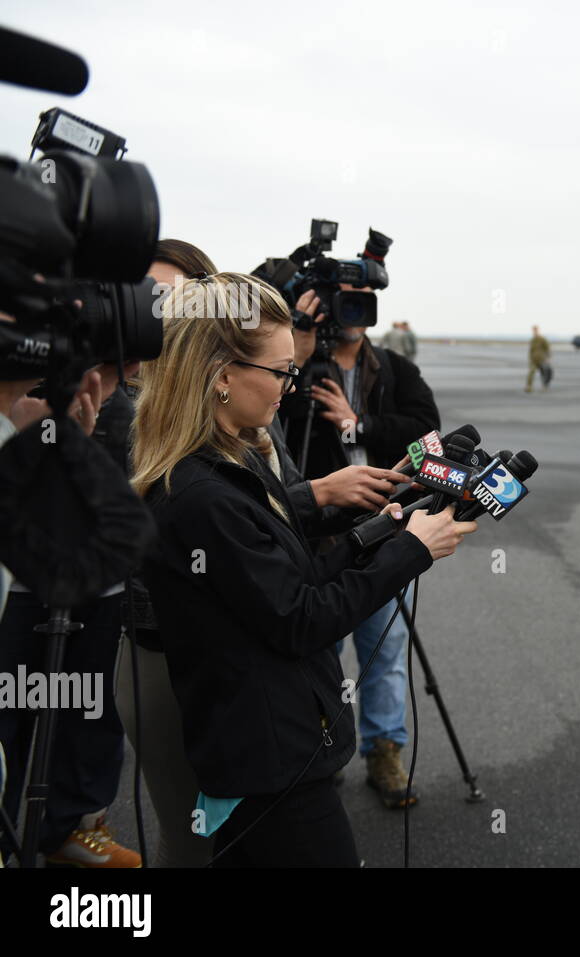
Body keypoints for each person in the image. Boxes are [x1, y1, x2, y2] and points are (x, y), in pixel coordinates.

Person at [132, 272, 476, 866]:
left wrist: (389, 526)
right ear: (220, 377)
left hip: (274, 749)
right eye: (281, 372)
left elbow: (289, 572)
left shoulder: (230, 461)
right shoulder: (202, 494)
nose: (290, 388)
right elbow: (301, 618)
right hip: (269, 764)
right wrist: (412, 551)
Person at [278, 280, 439, 809]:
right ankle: (311, 755)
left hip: (385, 529)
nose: (350, 311)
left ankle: (385, 752)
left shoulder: (394, 370)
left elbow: (429, 434)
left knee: (385, 650)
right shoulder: (296, 369)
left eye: (359, 300)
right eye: (341, 299)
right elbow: (272, 436)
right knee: (311, 654)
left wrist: (359, 423)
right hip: (314, 532)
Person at [0, 284, 141, 867]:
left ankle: (73, 826)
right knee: (14, 717)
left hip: (101, 586)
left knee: (91, 715)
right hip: (22, 586)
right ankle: (17, 831)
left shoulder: (128, 406)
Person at [525, 325, 550, 392]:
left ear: (538, 330)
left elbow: (547, 349)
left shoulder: (542, 339)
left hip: (542, 359)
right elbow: (531, 350)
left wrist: (548, 358)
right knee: (531, 372)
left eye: (536, 330)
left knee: (543, 373)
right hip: (534, 360)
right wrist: (530, 359)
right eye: (533, 330)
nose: (534, 331)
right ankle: (529, 387)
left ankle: (544, 387)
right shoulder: (532, 340)